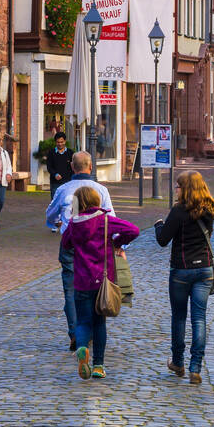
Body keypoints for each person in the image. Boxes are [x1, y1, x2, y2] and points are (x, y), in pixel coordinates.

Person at [60, 185, 138, 381]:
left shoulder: (73, 224)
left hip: (81, 281)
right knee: (99, 322)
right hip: (102, 281)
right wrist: (117, 241)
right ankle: (99, 366)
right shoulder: (104, 220)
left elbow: (65, 244)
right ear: (96, 202)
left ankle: (82, 348)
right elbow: (133, 230)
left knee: (83, 321)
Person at [46, 151, 114, 350]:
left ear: (72, 168)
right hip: (95, 247)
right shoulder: (101, 190)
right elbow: (111, 218)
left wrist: (56, 222)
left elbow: (50, 214)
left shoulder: (63, 189)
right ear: (91, 167)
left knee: (70, 288)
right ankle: (91, 328)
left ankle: (76, 331)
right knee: (94, 286)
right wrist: (119, 246)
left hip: (70, 244)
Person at [155, 170, 214, 385]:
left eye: (178, 186)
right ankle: (195, 367)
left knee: (179, 317)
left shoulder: (179, 211)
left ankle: (178, 362)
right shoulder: (209, 209)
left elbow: (163, 240)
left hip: (182, 271)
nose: (176, 189)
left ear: (186, 189)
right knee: (199, 318)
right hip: (204, 270)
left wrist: (158, 225)